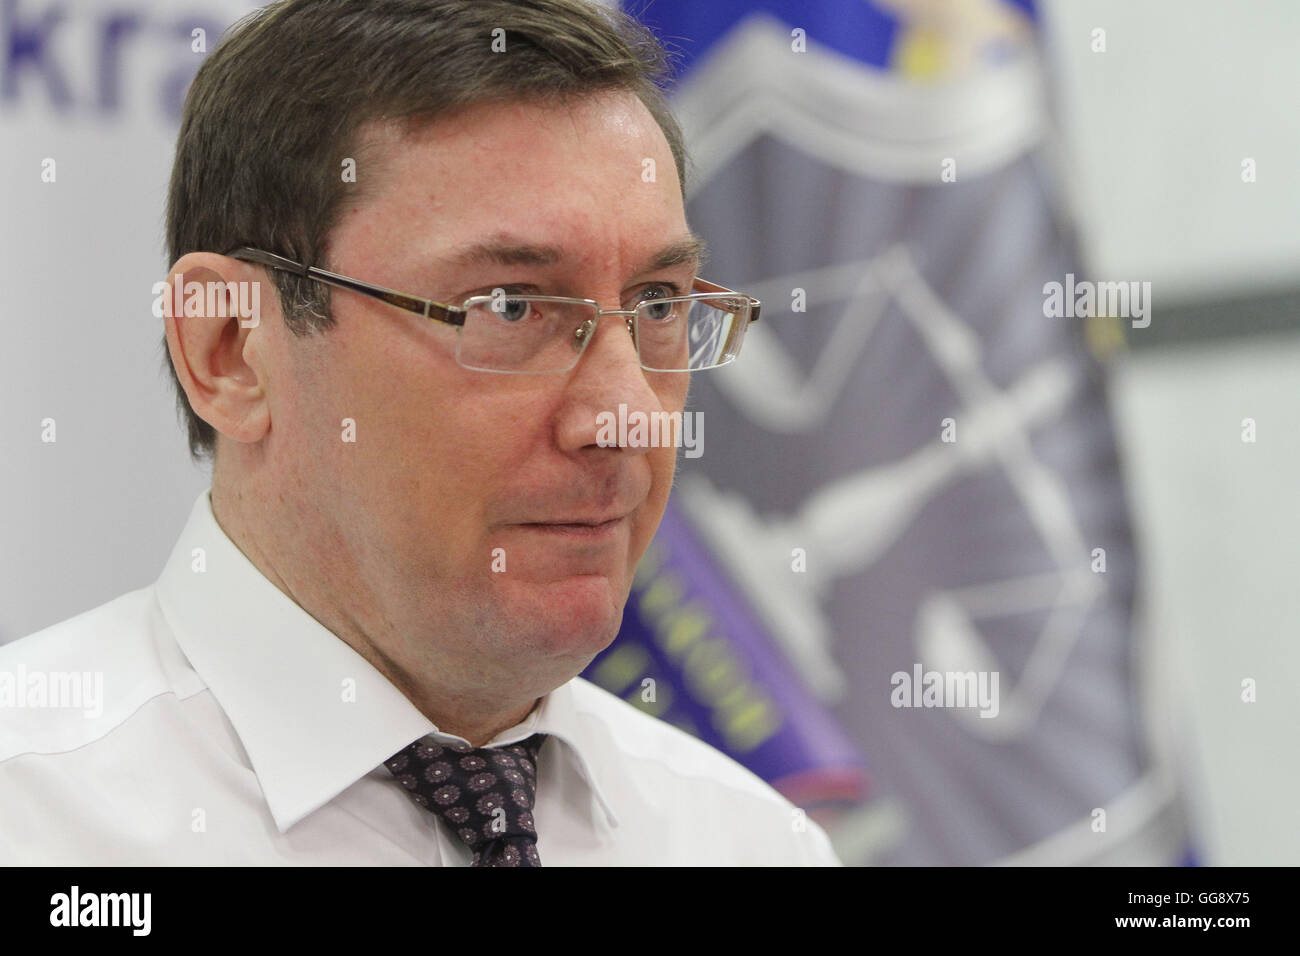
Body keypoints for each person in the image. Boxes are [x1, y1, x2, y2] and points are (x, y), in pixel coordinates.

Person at [0, 0, 840, 866]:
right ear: (229, 350)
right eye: (510, 307)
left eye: (657, 305)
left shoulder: (748, 842)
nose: (624, 414)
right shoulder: (31, 815)